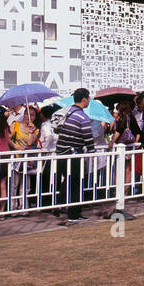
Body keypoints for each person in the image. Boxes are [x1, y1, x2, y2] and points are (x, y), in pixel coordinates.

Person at [55, 89, 94, 223]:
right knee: (76, 184)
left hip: (61, 152)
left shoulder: (68, 111)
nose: (89, 100)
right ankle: (74, 215)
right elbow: (88, 137)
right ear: (84, 99)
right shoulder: (83, 117)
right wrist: (92, 151)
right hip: (72, 154)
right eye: (89, 98)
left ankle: (61, 205)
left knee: (67, 182)